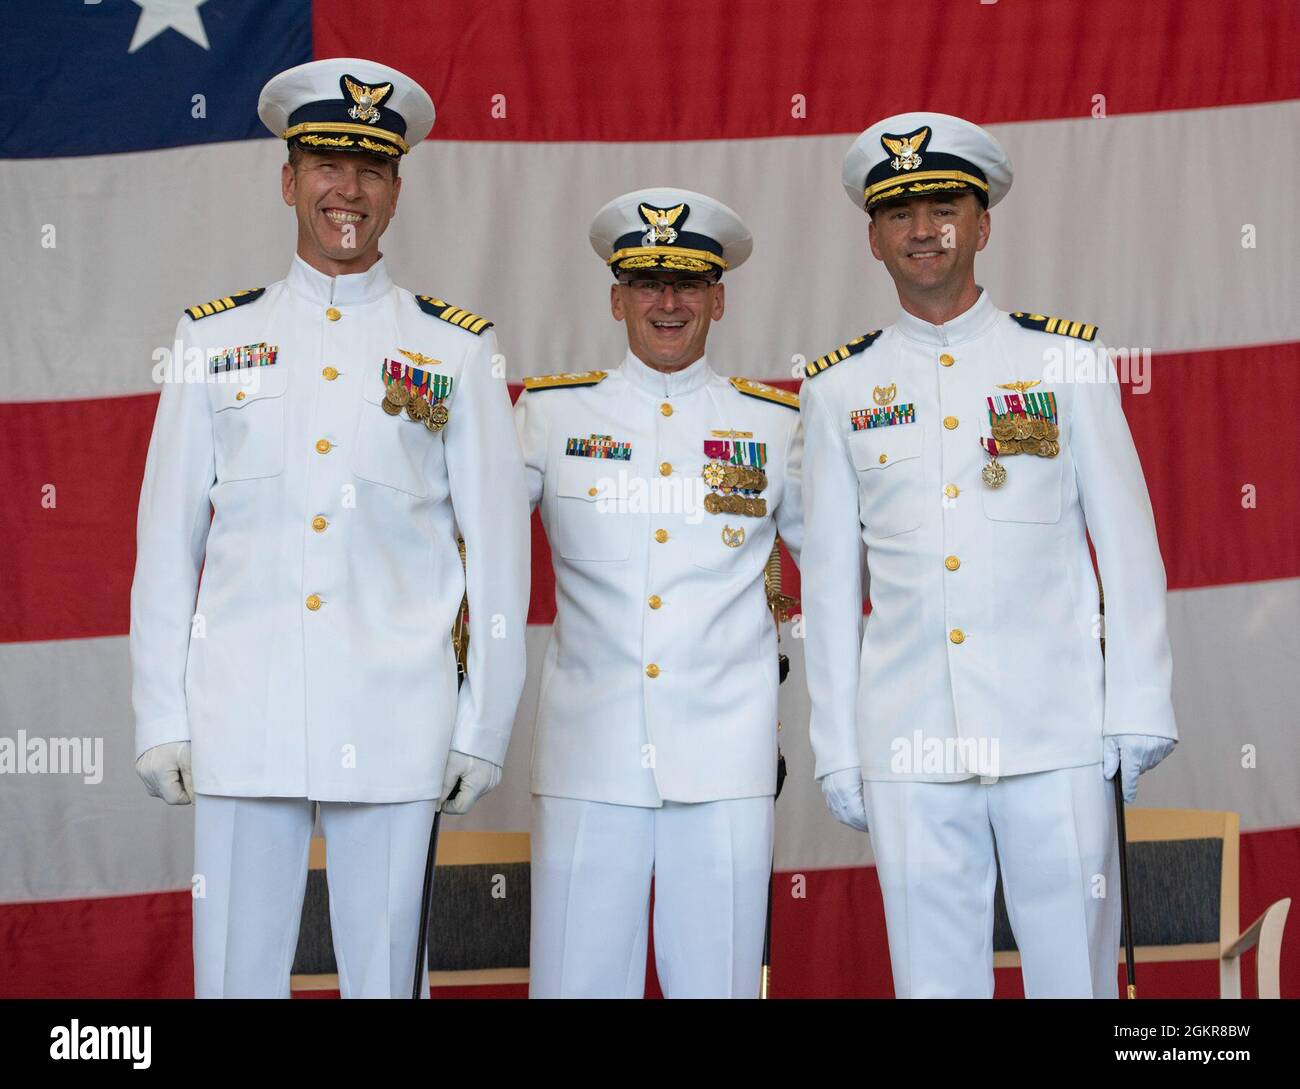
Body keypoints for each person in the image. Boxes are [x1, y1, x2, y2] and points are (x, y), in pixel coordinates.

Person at [129, 58, 529, 998]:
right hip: (242, 708)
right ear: (287, 180)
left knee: (387, 981)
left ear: (396, 189)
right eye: (324, 165)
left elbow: (500, 559)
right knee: (233, 976)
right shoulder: (212, 341)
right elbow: (165, 541)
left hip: (395, 716)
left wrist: (484, 722)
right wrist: (161, 709)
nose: (346, 190)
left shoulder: (455, 348)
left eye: (370, 171)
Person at [799, 112, 1177, 998]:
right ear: (873, 237)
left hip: (1057, 731)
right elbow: (826, 587)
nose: (922, 229)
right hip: (908, 738)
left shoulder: (1064, 361)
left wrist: (1138, 700)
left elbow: (1128, 546)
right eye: (900, 213)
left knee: (1072, 979)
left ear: (983, 223)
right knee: (933, 984)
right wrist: (836, 746)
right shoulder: (837, 387)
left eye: (942, 207)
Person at [515, 187, 803, 997]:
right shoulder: (550, 415)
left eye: (686, 283)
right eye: (647, 282)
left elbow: (865, 556)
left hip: (724, 766)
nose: (667, 302)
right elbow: (463, 540)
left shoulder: (776, 426)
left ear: (719, 297)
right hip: (588, 759)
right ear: (616, 297)